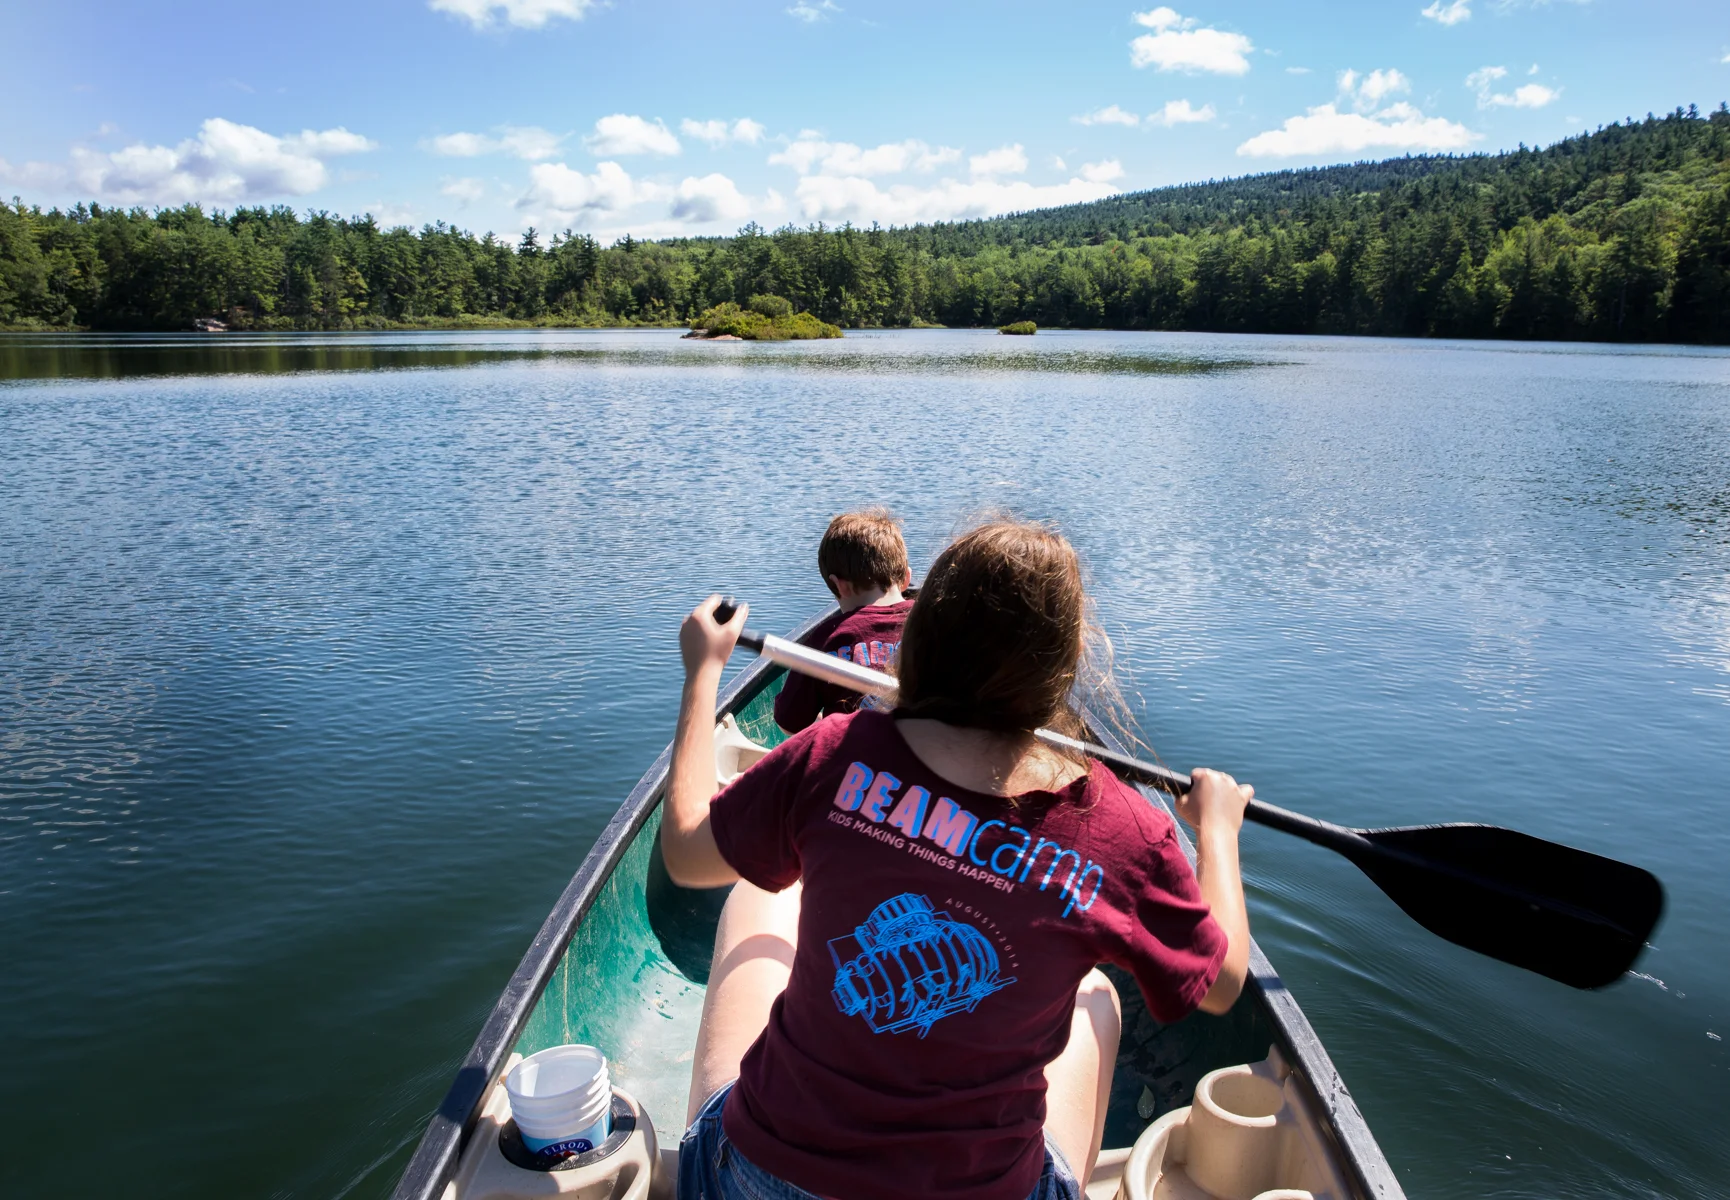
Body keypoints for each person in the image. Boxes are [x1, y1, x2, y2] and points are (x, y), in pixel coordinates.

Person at [662, 520, 1253, 1200]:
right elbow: (1223, 981)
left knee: (763, 892)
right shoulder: (1122, 830)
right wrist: (1218, 831)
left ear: (927, 630)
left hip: (767, 1178)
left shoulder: (834, 750)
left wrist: (702, 673)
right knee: (1095, 993)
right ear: (1062, 665)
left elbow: (686, 852)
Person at [773, 508, 915, 734]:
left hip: (853, 763)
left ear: (839, 585)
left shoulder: (826, 638)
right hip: (927, 758)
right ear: (906, 578)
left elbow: (789, 724)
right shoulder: (934, 623)